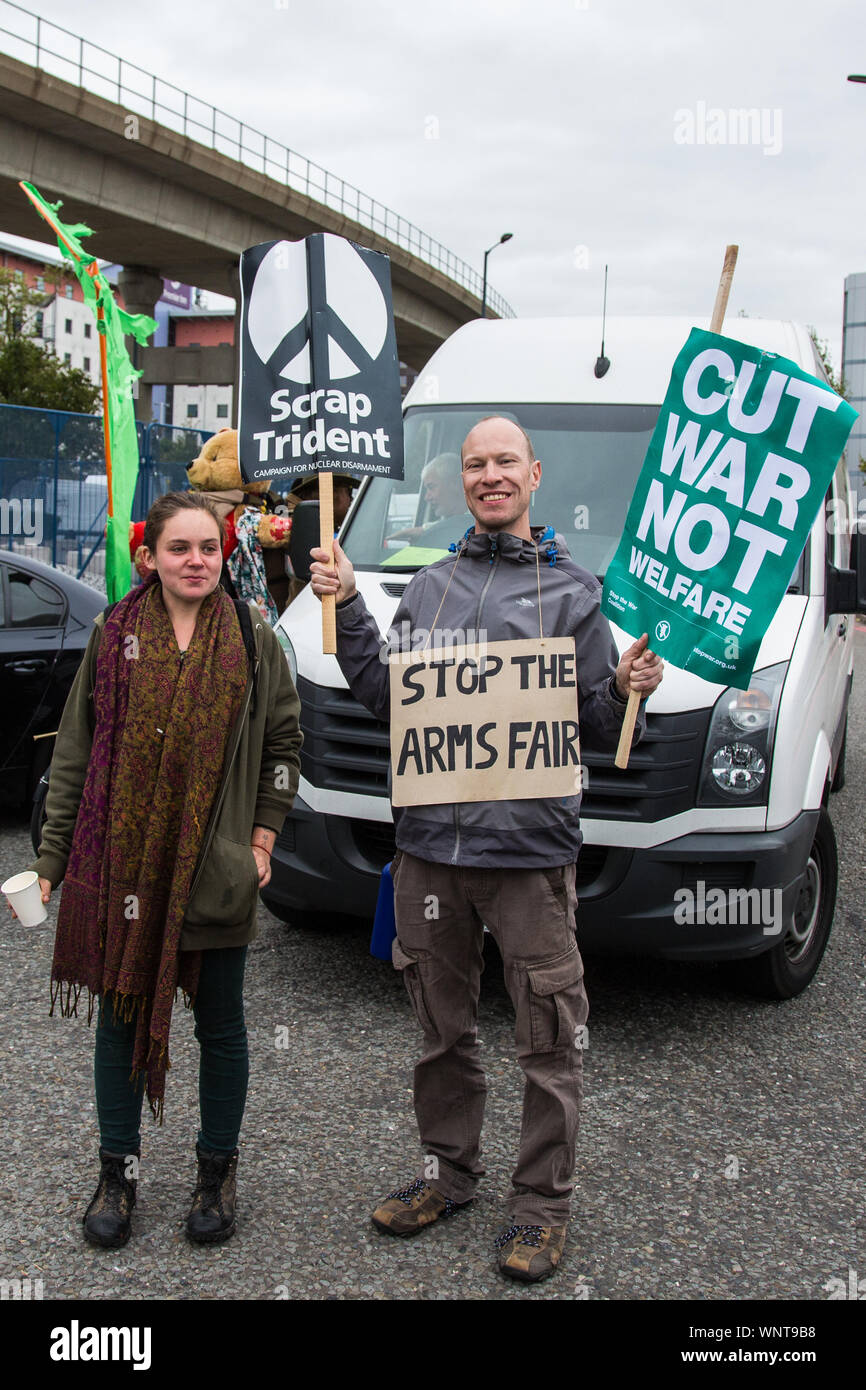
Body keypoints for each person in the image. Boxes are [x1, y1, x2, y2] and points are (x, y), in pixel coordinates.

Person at [309, 415, 663, 1283]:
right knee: (441, 1031)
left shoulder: (579, 595)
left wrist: (625, 690)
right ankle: (446, 1175)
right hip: (432, 850)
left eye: (506, 462)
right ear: (460, 480)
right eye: (475, 465)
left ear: (534, 474)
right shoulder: (427, 588)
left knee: (548, 1038)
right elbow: (387, 697)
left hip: (531, 855)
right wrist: (349, 603)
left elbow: (601, 723)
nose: (491, 476)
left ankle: (542, 1209)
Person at [19, 491, 302, 1249]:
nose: (196, 561)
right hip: (123, 869)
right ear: (150, 557)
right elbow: (74, 751)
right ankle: (118, 1173)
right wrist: (52, 857)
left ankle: (216, 1172)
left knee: (222, 1028)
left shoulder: (252, 635)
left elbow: (284, 746)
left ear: (223, 553)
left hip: (216, 873)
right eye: (180, 548)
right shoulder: (115, 634)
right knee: (117, 1023)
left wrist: (263, 842)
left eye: (208, 548)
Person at [387, 452, 471, 549]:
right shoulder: (446, 527)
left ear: (455, 484)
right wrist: (424, 531)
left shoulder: (486, 526)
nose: (427, 497)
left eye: (431, 487)